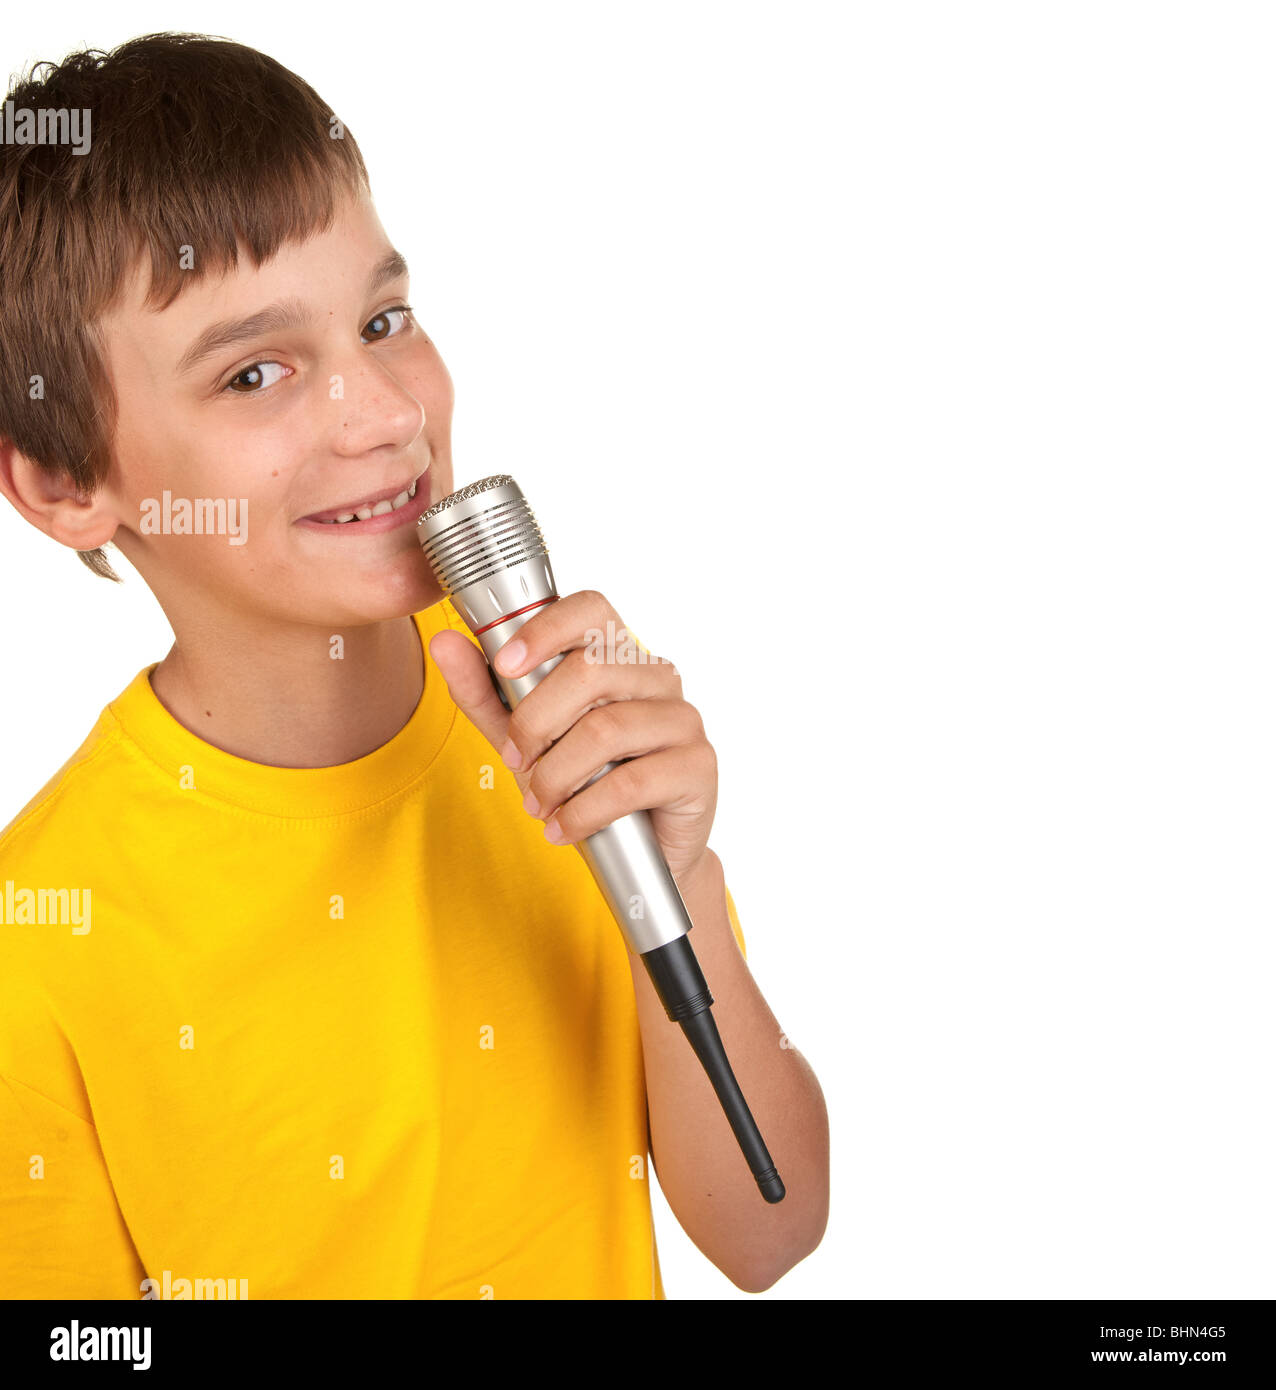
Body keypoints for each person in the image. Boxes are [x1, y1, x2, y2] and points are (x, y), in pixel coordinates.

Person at [0, 31, 828, 1299]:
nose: (388, 414)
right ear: (66, 484)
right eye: (257, 371)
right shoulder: (39, 940)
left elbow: (770, 1233)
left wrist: (683, 880)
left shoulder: (557, 726)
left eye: (384, 319)